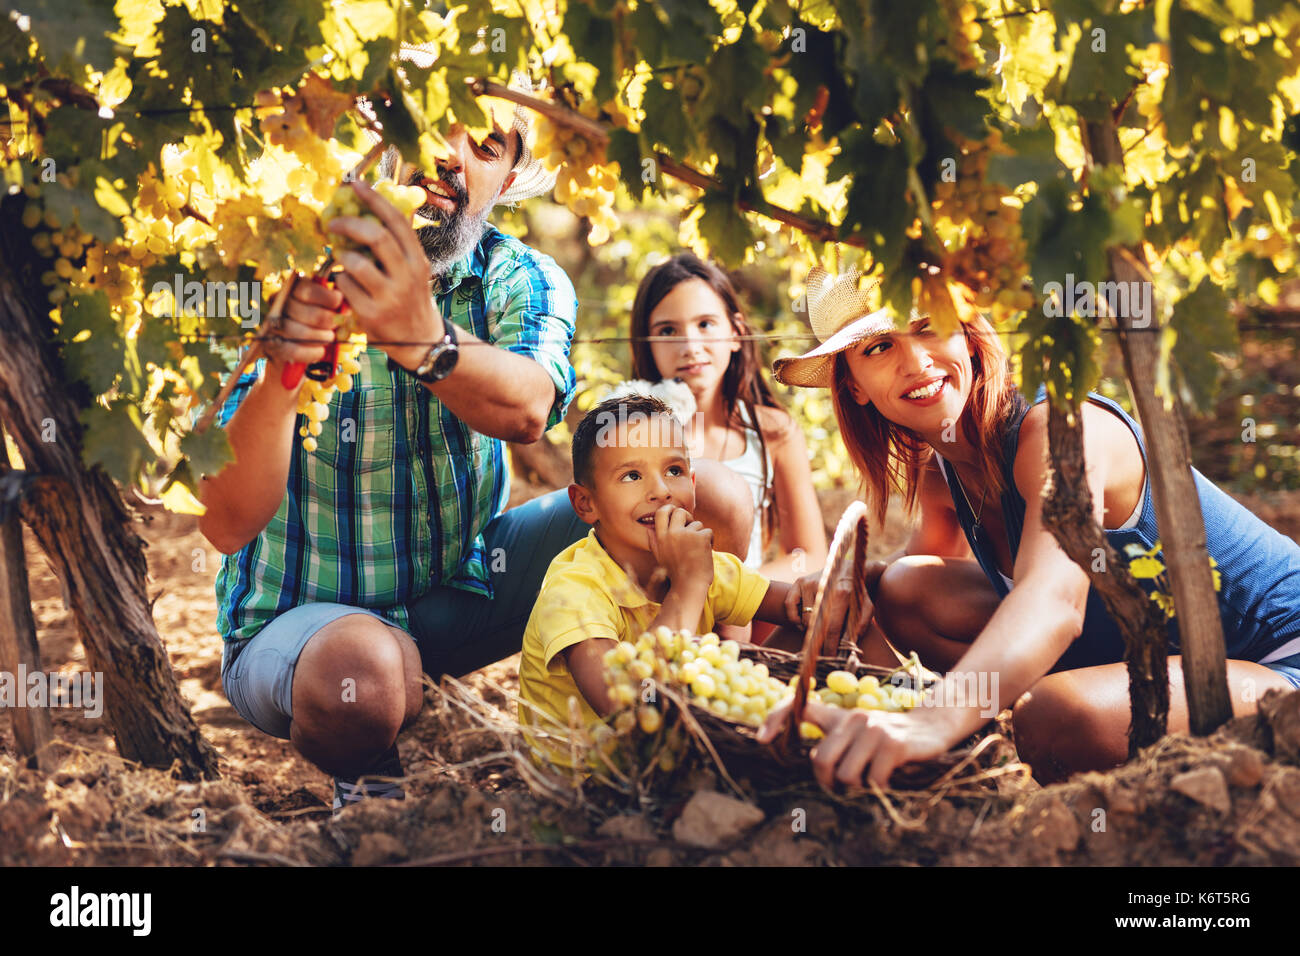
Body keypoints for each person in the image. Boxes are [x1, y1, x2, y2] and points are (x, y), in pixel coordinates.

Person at [759, 266, 1300, 787]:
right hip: (1150, 652)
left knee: (1051, 718)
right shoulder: (941, 473)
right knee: (902, 589)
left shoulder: (1062, 431)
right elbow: (901, 596)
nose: (916, 360)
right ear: (852, 385)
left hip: (1278, 663)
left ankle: (1028, 726)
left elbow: (1055, 602)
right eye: (878, 347)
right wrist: (850, 585)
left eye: (929, 326)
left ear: (968, 337)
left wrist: (931, 720)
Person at [518, 394, 804, 766]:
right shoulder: (573, 590)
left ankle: (891, 729)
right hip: (597, 784)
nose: (661, 490)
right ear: (586, 503)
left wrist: (827, 596)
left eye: (674, 471)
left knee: (823, 622)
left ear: (693, 482)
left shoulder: (702, 563)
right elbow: (630, 708)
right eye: (632, 476)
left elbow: (796, 605)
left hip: (677, 753)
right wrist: (688, 586)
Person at [629, 253, 827, 582]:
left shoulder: (774, 432)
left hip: (745, 610)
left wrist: (737, 595)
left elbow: (806, 554)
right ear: (646, 344)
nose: (690, 346)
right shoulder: (627, 433)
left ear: (735, 332)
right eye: (667, 330)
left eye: (705, 324)